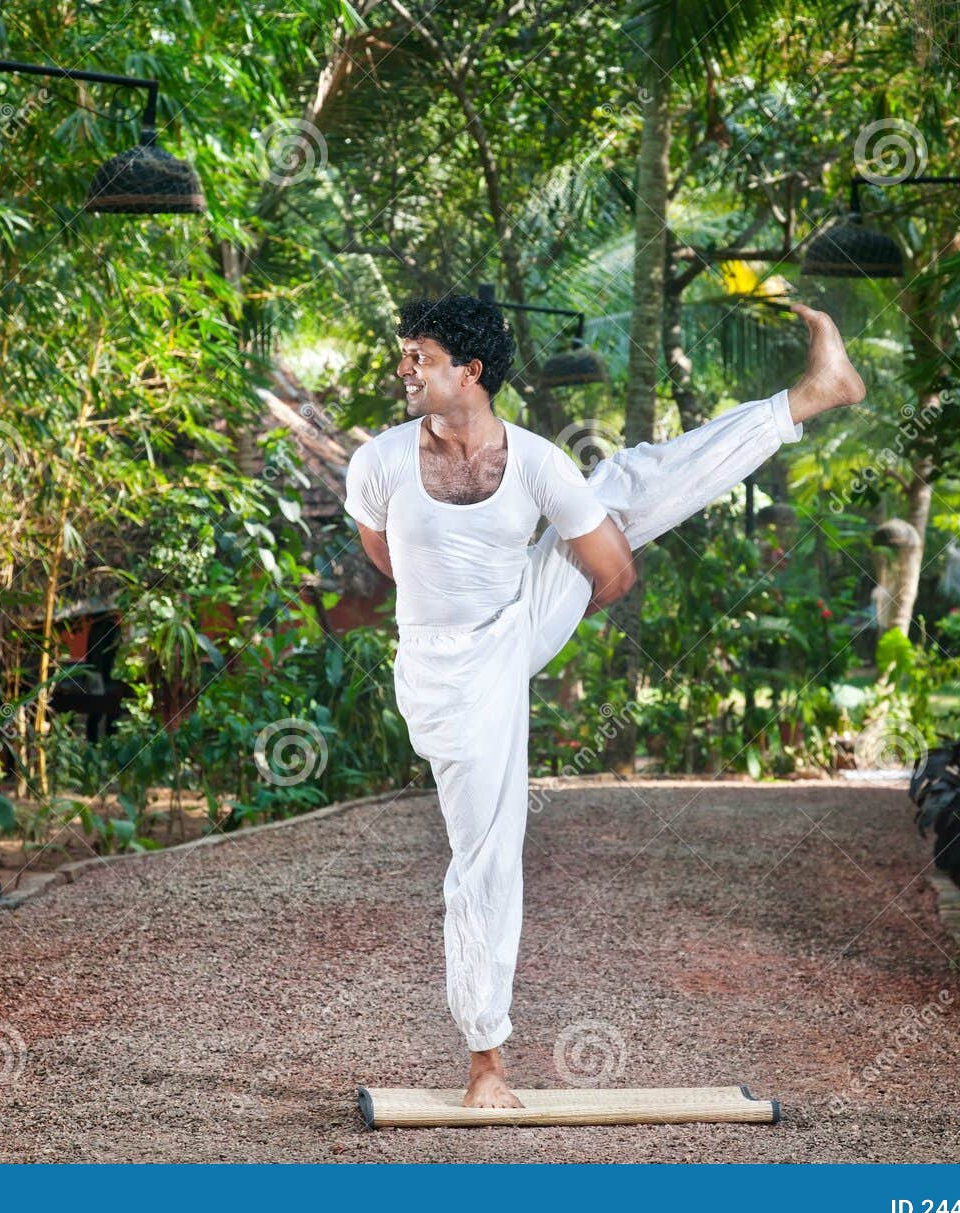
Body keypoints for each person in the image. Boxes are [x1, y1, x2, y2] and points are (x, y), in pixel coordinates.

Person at [343, 294, 865, 1108]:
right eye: (404, 353)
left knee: (617, 487)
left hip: (516, 626)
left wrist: (537, 622)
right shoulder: (376, 462)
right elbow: (386, 556)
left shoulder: (539, 462)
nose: (402, 368)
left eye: (419, 355)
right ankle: (484, 1053)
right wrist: (464, 617)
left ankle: (803, 401)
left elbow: (615, 576)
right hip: (440, 669)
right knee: (480, 849)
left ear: (470, 371)